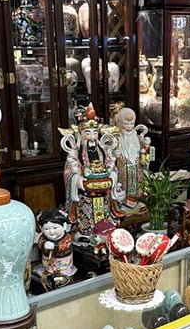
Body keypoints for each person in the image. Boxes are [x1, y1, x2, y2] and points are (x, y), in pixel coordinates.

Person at [60, 108, 124, 236]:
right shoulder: (75, 152)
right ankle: (87, 233)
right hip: (86, 192)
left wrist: (112, 174)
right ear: (80, 134)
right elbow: (69, 171)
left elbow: (111, 165)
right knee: (87, 223)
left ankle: (104, 232)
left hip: (104, 189)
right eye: (87, 133)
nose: (92, 136)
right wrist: (78, 180)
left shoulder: (103, 149)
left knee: (105, 219)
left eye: (95, 133)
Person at [114, 106, 150, 208]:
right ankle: (127, 198)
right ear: (120, 124)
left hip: (136, 162)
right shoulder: (117, 136)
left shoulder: (136, 135)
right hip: (124, 163)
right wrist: (115, 153)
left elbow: (140, 149)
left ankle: (137, 197)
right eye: (126, 124)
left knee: (139, 178)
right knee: (126, 177)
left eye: (131, 124)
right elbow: (113, 151)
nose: (129, 126)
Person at [35, 208, 76, 287]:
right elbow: (40, 243)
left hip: (63, 264)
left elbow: (66, 245)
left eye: (55, 228)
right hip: (48, 263)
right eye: (46, 229)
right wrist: (44, 245)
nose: (51, 232)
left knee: (63, 276)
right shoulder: (43, 237)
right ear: (41, 228)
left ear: (64, 226)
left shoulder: (67, 237)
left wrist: (55, 246)